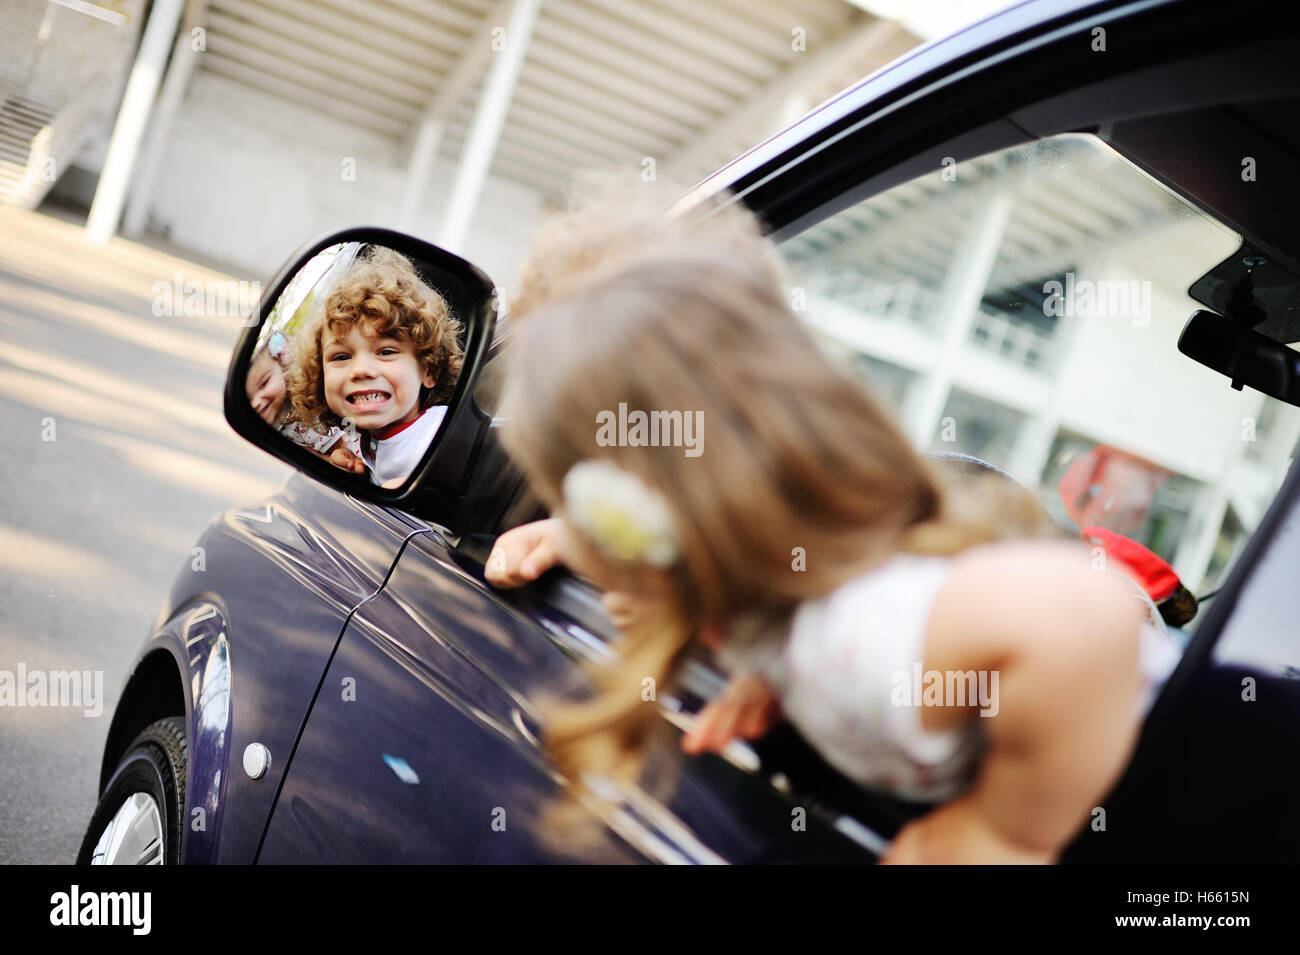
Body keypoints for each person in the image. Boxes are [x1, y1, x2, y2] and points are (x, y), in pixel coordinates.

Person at [486, 192, 1153, 863]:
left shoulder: (861, 631)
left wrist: (1007, 830)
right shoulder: (782, 597)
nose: (560, 520)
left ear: (633, 518)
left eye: (561, 495)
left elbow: (1084, 614)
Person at [286, 247, 464, 488]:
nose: (361, 370)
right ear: (320, 377)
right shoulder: (363, 443)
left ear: (429, 370)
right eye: (340, 357)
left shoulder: (438, 435)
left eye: (386, 352)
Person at [245, 330, 364, 474]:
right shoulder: (277, 435)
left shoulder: (306, 387)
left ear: (282, 366)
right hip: (359, 463)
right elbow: (315, 460)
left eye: (264, 383)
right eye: (247, 398)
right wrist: (340, 464)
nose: (255, 403)